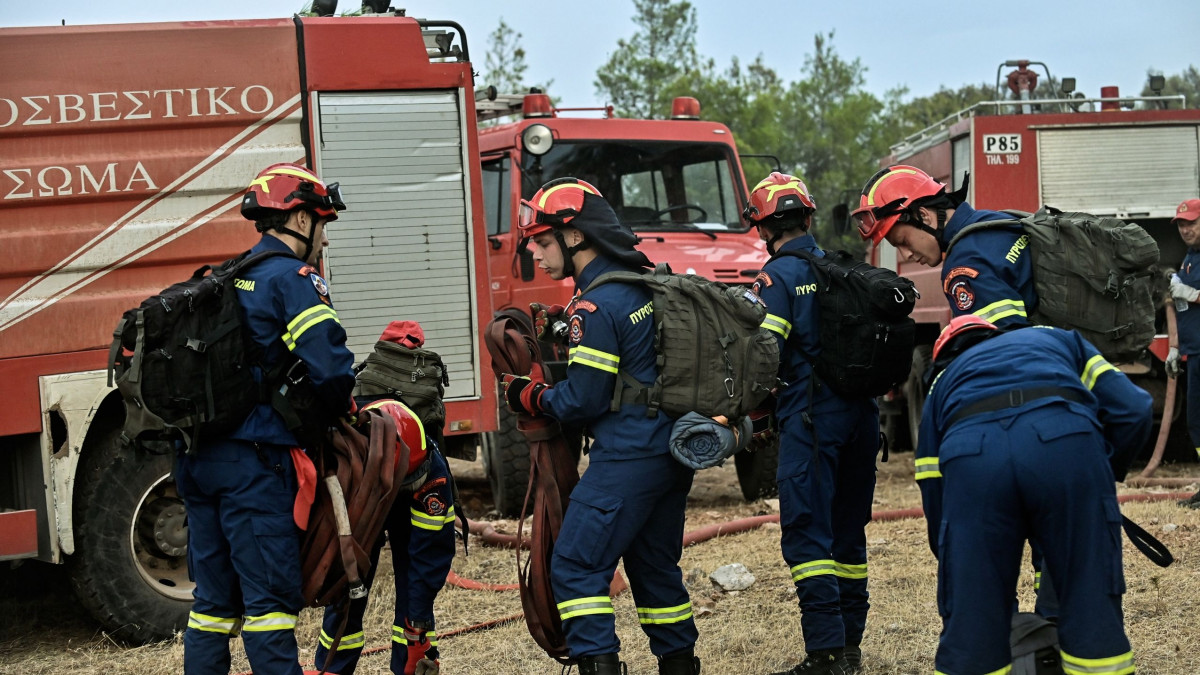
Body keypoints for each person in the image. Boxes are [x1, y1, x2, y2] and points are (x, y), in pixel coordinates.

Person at [500, 177, 700, 675]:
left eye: (543, 242)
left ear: (575, 237)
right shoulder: (643, 285)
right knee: (654, 569)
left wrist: (529, 394)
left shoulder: (594, 306)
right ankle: (680, 666)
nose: (536, 255)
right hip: (670, 455)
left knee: (574, 566)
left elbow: (583, 401)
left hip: (626, 459)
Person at [176, 162, 356, 675]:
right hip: (254, 467)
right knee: (269, 607)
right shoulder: (292, 280)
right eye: (322, 224)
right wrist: (343, 411)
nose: (323, 239)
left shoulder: (225, 276)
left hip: (196, 460)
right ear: (300, 219)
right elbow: (331, 370)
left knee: (211, 607)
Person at [915, 316, 1152, 675]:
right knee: (1090, 604)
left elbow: (932, 482)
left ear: (944, 356)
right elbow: (1134, 408)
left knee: (973, 625)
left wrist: (955, 552)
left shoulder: (942, 381)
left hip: (974, 457)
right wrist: (1100, 476)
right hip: (1066, 441)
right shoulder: (1059, 339)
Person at [745, 173, 879, 675]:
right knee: (848, 534)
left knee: (807, 533)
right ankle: (849, 648)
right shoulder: (843, 268)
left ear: (764, 228)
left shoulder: (776, 279)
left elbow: (764, 357)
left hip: (812, 419)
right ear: (807, 217)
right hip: (862, 418)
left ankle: (824, 654)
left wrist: (743, 409)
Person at [313, 327, 457, 675]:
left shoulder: (433, 476)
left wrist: (417, 624)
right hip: (366, 497)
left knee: (413, 593)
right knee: (350, 589)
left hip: (392, 499)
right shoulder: (350, 452)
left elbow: (430, 554)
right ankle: (332, 668)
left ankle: (410, 663)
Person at [852, 165, 1034, 328]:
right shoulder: (995, 221)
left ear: (924, 216)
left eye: (904, 242)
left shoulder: (963, 266)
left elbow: (1003, 348)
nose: (906, 255)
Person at [1168, 198, 1200, 508]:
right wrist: (1175, 349)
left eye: (1191, 222)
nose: (1185, 229)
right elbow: (1181, 309)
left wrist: (1191, 293)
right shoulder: (1190, 257)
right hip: (1194, 351)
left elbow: (1188, 298)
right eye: (1181, 224)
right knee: (1196, 423)